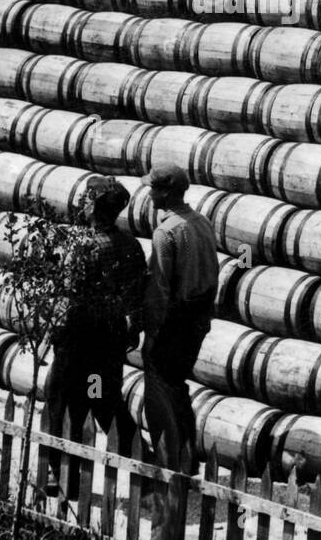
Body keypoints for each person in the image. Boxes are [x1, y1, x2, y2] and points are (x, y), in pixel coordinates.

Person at [42, 175, 145, 480]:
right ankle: (139, 456)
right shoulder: (130, 244)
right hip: (110, 335)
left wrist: (53, 331)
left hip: (78, 336)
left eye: (87, 198)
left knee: (61, 398)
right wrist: (132, 328)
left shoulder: (83, 246)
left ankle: (63, 474)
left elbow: (69, 295)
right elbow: (136, 292)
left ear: (95, 206)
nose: (82, 202)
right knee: (103, 395)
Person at [141, 163, 219, 472]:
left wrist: (150, 332)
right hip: (198, 317)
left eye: (153, 189)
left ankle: (170, 459)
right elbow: (214, 273)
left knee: (160, 390)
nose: (149, 195)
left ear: (166, 192)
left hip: (173, 321)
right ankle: (188, 457)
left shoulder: (166, 233)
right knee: (177, 385)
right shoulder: (201, 222)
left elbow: (159, 288)